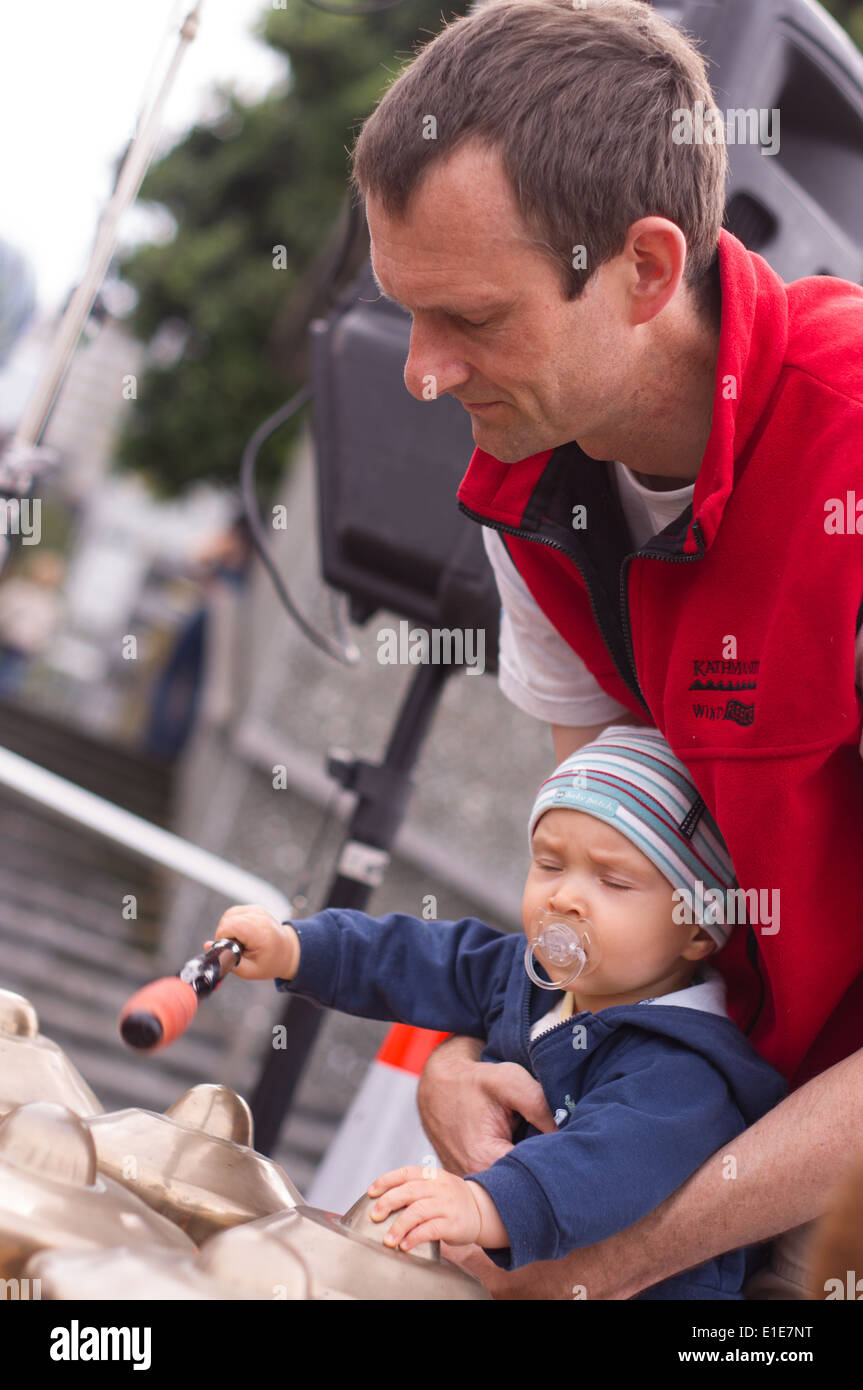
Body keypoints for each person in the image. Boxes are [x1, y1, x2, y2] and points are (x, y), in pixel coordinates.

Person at [346, 0, 863, 1298]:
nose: (418, 371)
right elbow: (608, 878)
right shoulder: (530, 486)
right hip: (730, 1132)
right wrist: (474, 1057)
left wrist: (614, 1252)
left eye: (466, 315)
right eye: (402, 310)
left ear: (641, 269)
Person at [211, 727, 786, 1298]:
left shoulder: (683, 1067)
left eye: (612, 881)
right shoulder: (523, 972)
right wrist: (297, 948)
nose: (564, 898)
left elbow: (604, 1164)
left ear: (696, 934)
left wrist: (484, 1203)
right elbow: (412, 958)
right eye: (550, 865)